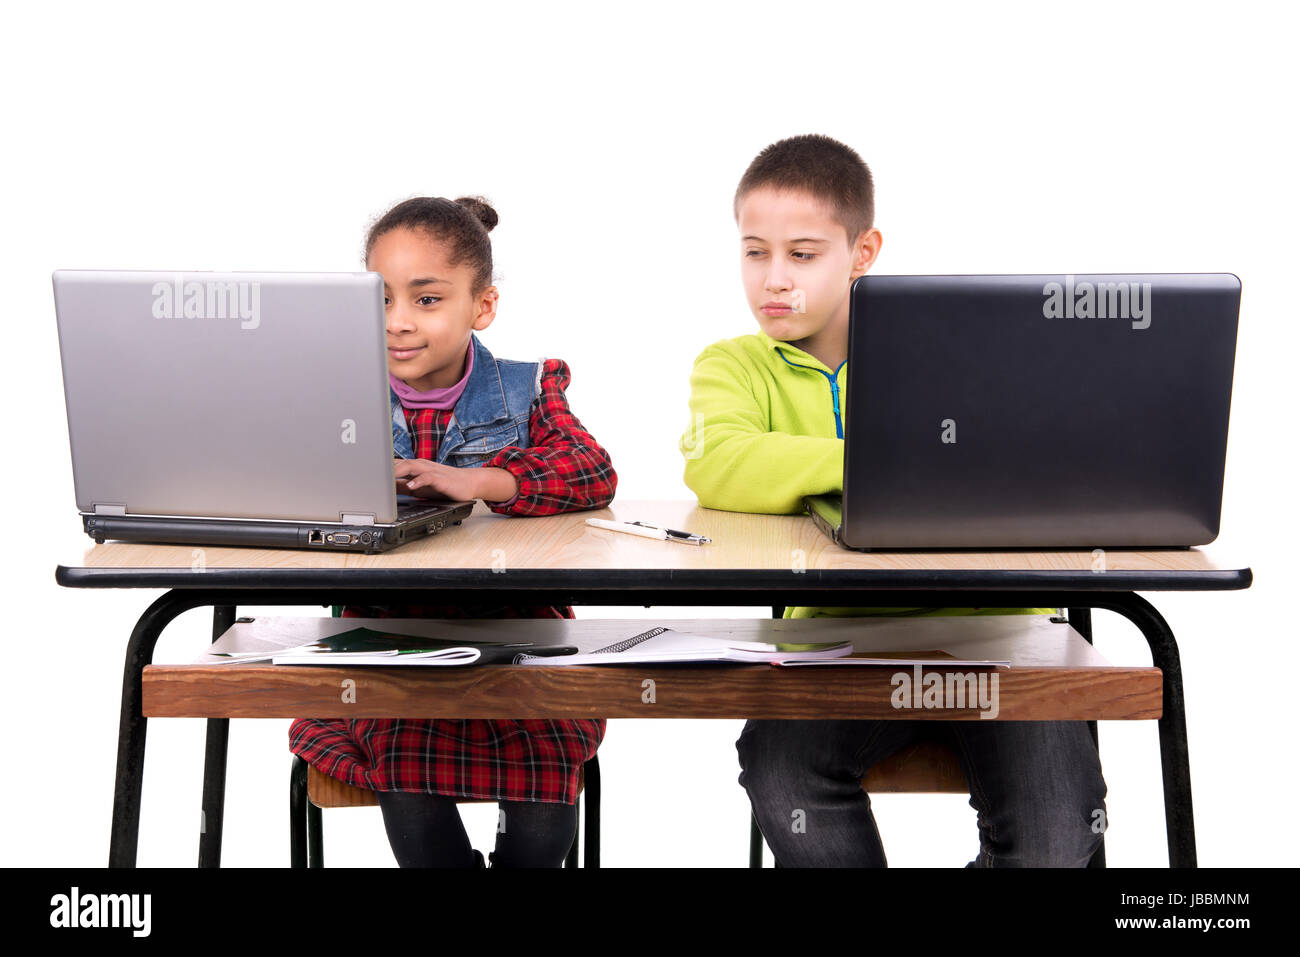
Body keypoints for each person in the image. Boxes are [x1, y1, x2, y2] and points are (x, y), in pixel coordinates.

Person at [680, 134, 1107, 866]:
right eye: (755, 252)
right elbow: (720, 461)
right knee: (781, 767)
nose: (773, 279)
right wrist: (880, 462)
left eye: (803, 254)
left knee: (1059, 826)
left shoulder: (953, 351)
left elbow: (1007, 462)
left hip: (998, 632)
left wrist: (826, 470)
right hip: (835, 638)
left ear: (863, 250)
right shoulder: (733, 365)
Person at [290, 196, 617, 867]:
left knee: (547, 787)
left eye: (427, 300)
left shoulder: (529, 389)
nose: (398, 323)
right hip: (386, 643)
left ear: (482, 307)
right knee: (408, 770)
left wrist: (481, 481)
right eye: (380, 301)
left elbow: (592, 471)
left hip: (521, 641)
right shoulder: (331, 394)